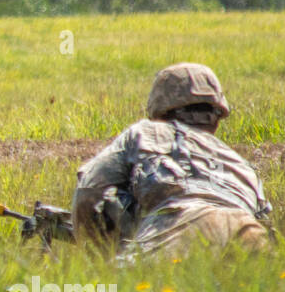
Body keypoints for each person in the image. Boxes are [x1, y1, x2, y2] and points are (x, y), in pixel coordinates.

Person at [72, 62, 273, 258]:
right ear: (218, 117)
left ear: (159, 110)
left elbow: (88, 191)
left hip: (180, 228)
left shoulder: (144, 133)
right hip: (250, 233)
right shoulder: (239, 162)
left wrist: (99, 254)